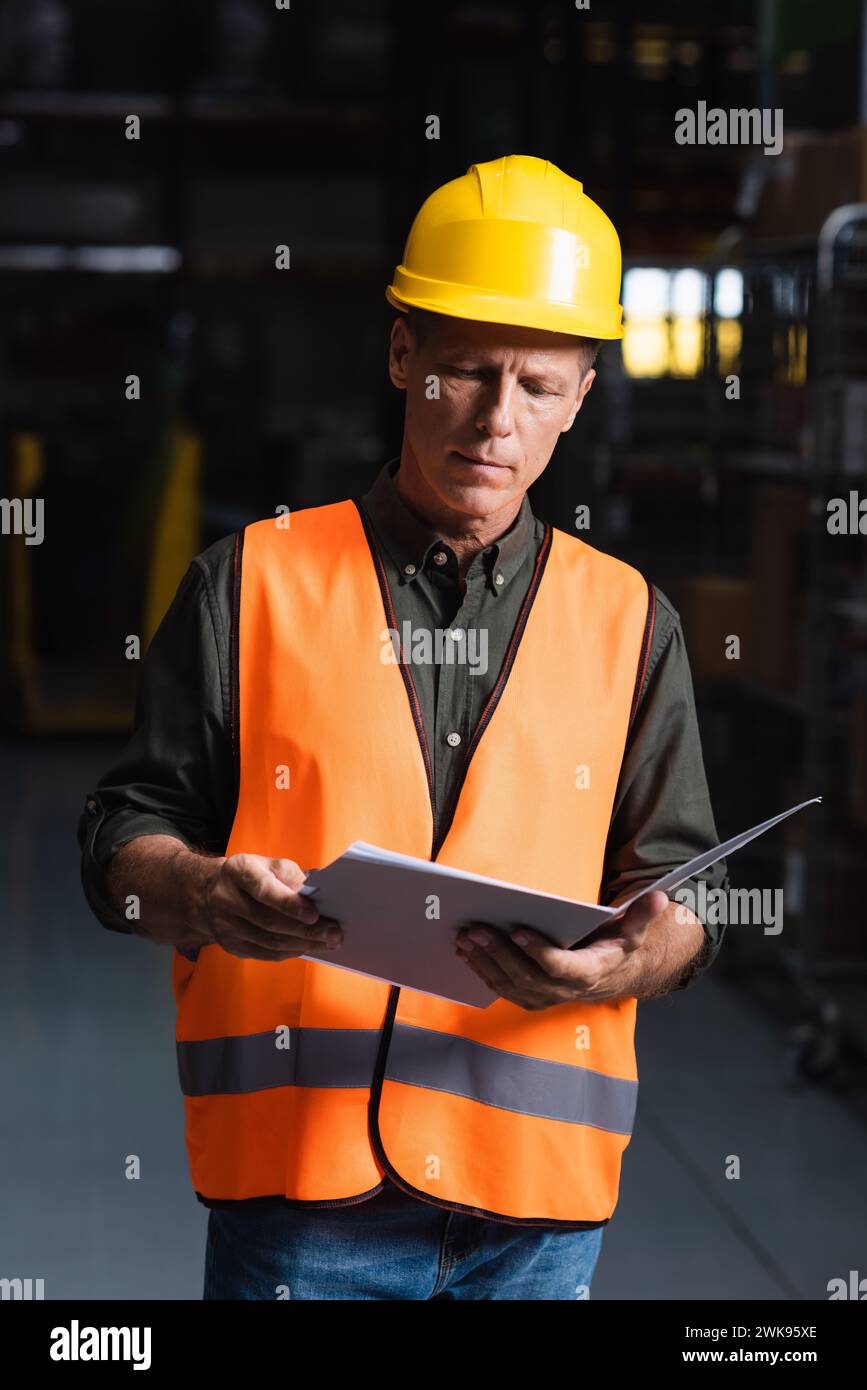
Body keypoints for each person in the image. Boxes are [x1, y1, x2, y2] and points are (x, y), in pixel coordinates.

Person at [78, 154, 728, 1301]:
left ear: (583, 395)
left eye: (538, 385)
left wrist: (631, 959)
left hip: (538, 1211)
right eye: (468, 371)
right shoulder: (251, 583)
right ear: (401, 356)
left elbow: (684, 893)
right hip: (303, 1202)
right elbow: (119, 839)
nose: (495, 419)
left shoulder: (630, 620)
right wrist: (203, 890)